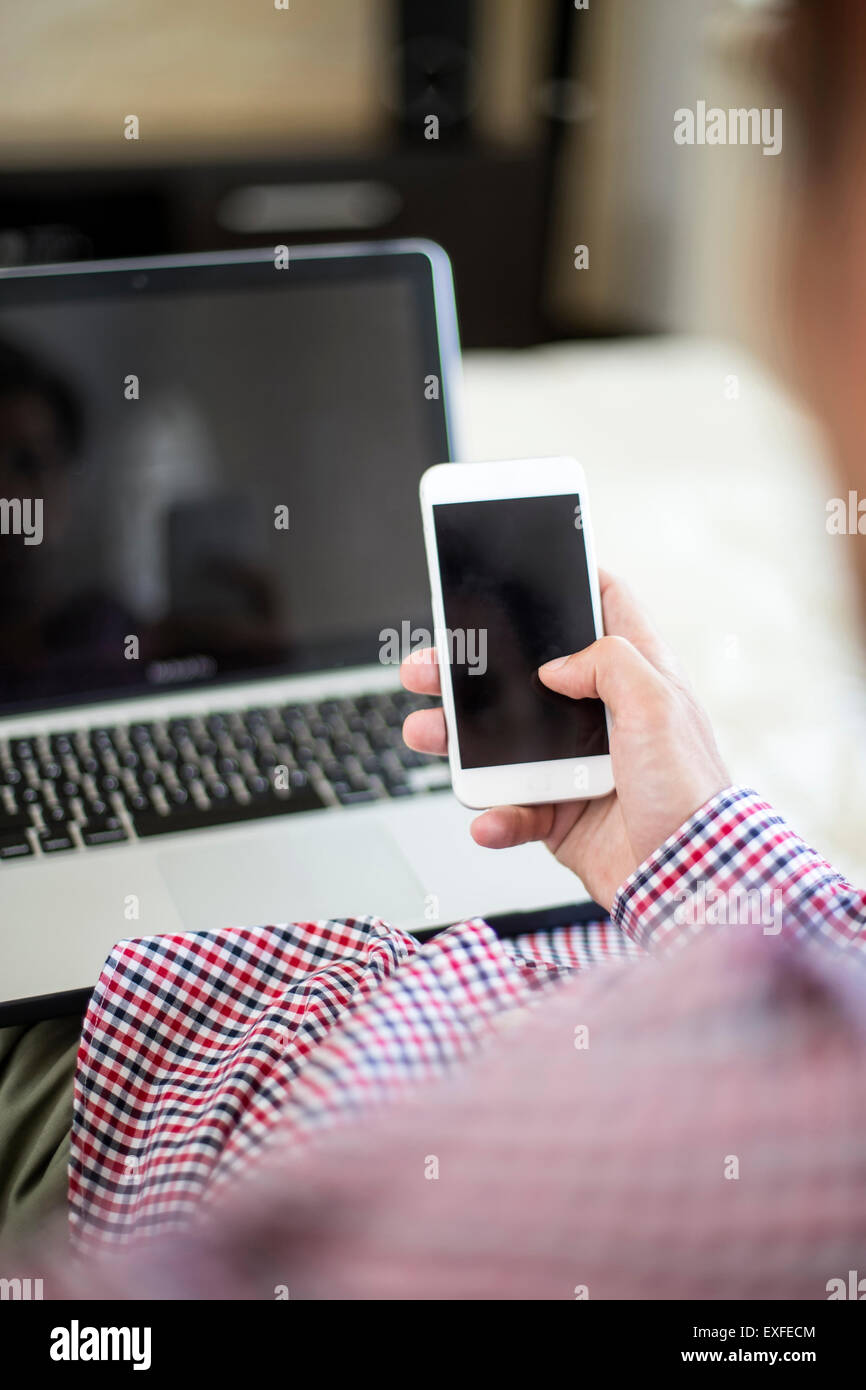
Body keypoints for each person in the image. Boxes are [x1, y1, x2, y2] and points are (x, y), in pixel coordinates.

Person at [2, 0, 866, 1297]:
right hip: (517, 954)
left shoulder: (473, 1225)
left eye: (27, 464)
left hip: (178, 1064)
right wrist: (696, 842)